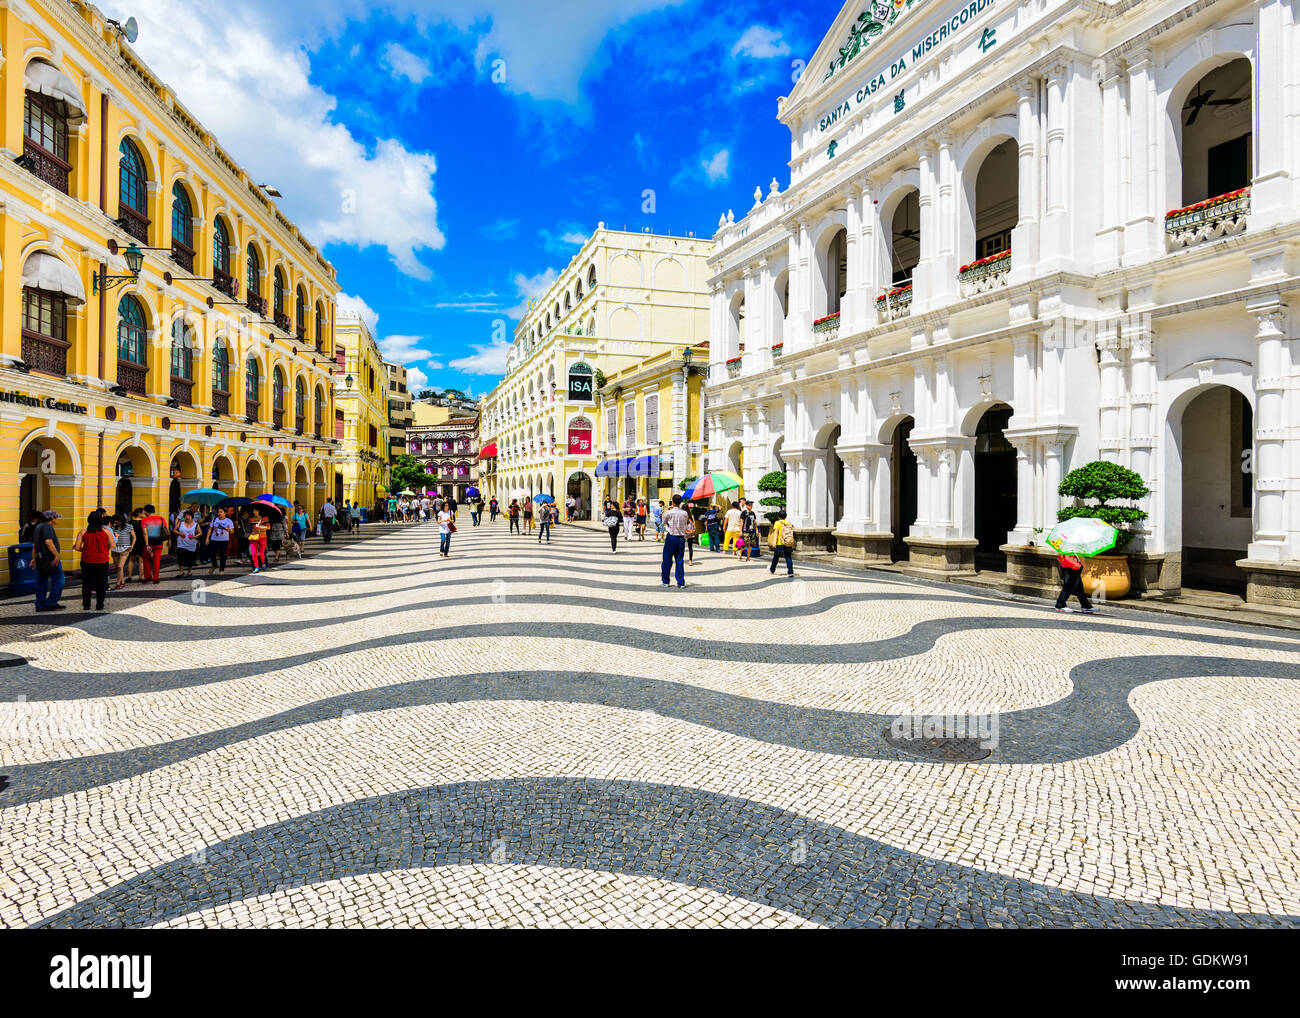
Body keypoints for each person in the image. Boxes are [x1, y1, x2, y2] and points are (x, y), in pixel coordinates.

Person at [73, 511, 112, 612]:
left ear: (89, 520)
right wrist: (104, 549)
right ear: (100, 520)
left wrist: (84, 549)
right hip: (102, 561)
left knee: (87, 583)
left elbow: (77, 547)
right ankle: (100, 604)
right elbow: (112, 545)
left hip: (87, 561)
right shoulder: (106, 532)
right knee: (101, 584)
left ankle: (86, 604)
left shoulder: (83, 531)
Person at [33, 509, 65, 612]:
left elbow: (35, 545)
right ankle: (51, 602)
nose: (57, 519)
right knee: (59, 580)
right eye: (56, 517)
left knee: (42, 581)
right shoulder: (48, 526)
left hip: (40, 558)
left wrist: (33, 558)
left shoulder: (38, 527)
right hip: (49, 559)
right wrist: (57, 555)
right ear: (51, 518)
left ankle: (40, 604)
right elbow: (48, 542)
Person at [661, 494, 690, 588]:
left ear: (672, 502)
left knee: (667, 560)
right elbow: (685, 523)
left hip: (671, 537)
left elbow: (663, 523)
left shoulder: (669, 513)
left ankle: (666, 581)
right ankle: (681, 582)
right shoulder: (685, 513)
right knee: (679, 560)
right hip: (681, 538)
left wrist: (668, 527)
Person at [141, 504, 168, 584]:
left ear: (146, 511)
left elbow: (145, 533)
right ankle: (155, 578)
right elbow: (166, 531)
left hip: (148, 543)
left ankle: (148, 577)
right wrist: (168, 541)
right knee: (157, 560)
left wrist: (147, 545)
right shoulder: (161, 519)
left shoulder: (144, 520)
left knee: (146, 560)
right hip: (159, 542)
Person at [109, 513, 134, 590]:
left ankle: (118, 583)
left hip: (125, 548)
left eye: (118, 522)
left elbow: (134, 536)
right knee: (118, 567)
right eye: (115, 522)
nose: (116, 524)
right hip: (115, 548)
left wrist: (132, 546)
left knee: (120, 566)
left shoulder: (128, 526)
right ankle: (122, 582)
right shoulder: (113, 527)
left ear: (122, 521)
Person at [206, 506, 234, 575]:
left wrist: (229, 530)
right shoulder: (215, 519)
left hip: (224, 540)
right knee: (212, 553)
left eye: (221, 512)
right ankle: (215, 565)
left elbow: (232, 531)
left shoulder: (229, 521)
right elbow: (210, 529)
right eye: (218, 512)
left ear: (225, 513)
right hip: (214, 539)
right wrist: (207, 538)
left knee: (222, 555)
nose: (219, 513)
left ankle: (221, 569)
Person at [768, 509, 795, 577]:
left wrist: (774, 542)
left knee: (776, 557)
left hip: (779, 543)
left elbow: (776, 533)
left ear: (779, 516)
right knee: (788, 557)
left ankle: (772, 569)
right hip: (787, 542)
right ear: (785, 516)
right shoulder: (789, 523)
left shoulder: (777, 523)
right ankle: (790, 571)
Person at [174, 510, 200, 577]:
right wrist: (180, 533)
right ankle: (181, 572)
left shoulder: (196, 524)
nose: (187, 517)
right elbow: (174, 530)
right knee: (180, 557)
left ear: (192, 517)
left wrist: (194, 536)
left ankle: (189, 571)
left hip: (191, 544)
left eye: (188, 516)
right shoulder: (180, 523)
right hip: (181, 543)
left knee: (190, 558)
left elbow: (200, 533)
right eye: (185, 516)